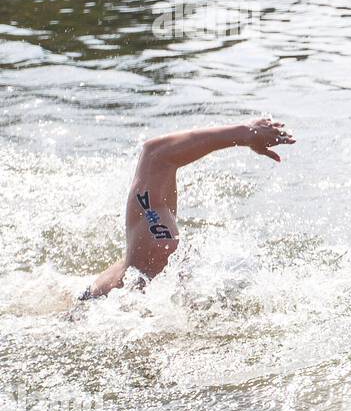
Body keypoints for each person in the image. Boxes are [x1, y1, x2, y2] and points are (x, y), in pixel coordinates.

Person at [79, 118, 295, 300]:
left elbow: (158, 155)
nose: (187, 257)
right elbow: (155, 154)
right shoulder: (158, 251)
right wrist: (244, 133)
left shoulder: (160, 269)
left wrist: (245, 133)